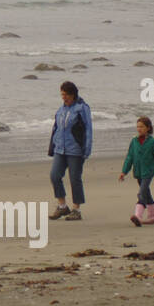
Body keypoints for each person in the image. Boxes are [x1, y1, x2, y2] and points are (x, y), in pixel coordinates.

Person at [47, 80, 92, 220]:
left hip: (76, 150)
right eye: (62, 94)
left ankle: (76, 210)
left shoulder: (82, 108)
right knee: (54, 175)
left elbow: (88, 130)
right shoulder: (60, 110)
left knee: (75, 179)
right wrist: (52, 146)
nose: (64, 97)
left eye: (66, 94)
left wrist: (87, 149)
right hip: (60, 149)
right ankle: (62, 206)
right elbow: (56, 129)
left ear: (73, 94)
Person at [119, 115, 154, 226]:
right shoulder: (134, 141)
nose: (139, 129)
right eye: (137, 126)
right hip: (138, 171)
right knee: (146, 193)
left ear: (148, 128)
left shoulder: (153, 142)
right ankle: (152, 216)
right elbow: (129, 157)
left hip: (149, 171)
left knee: (141, 193)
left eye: (142, 127)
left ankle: (138, 216)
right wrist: (124, 172)